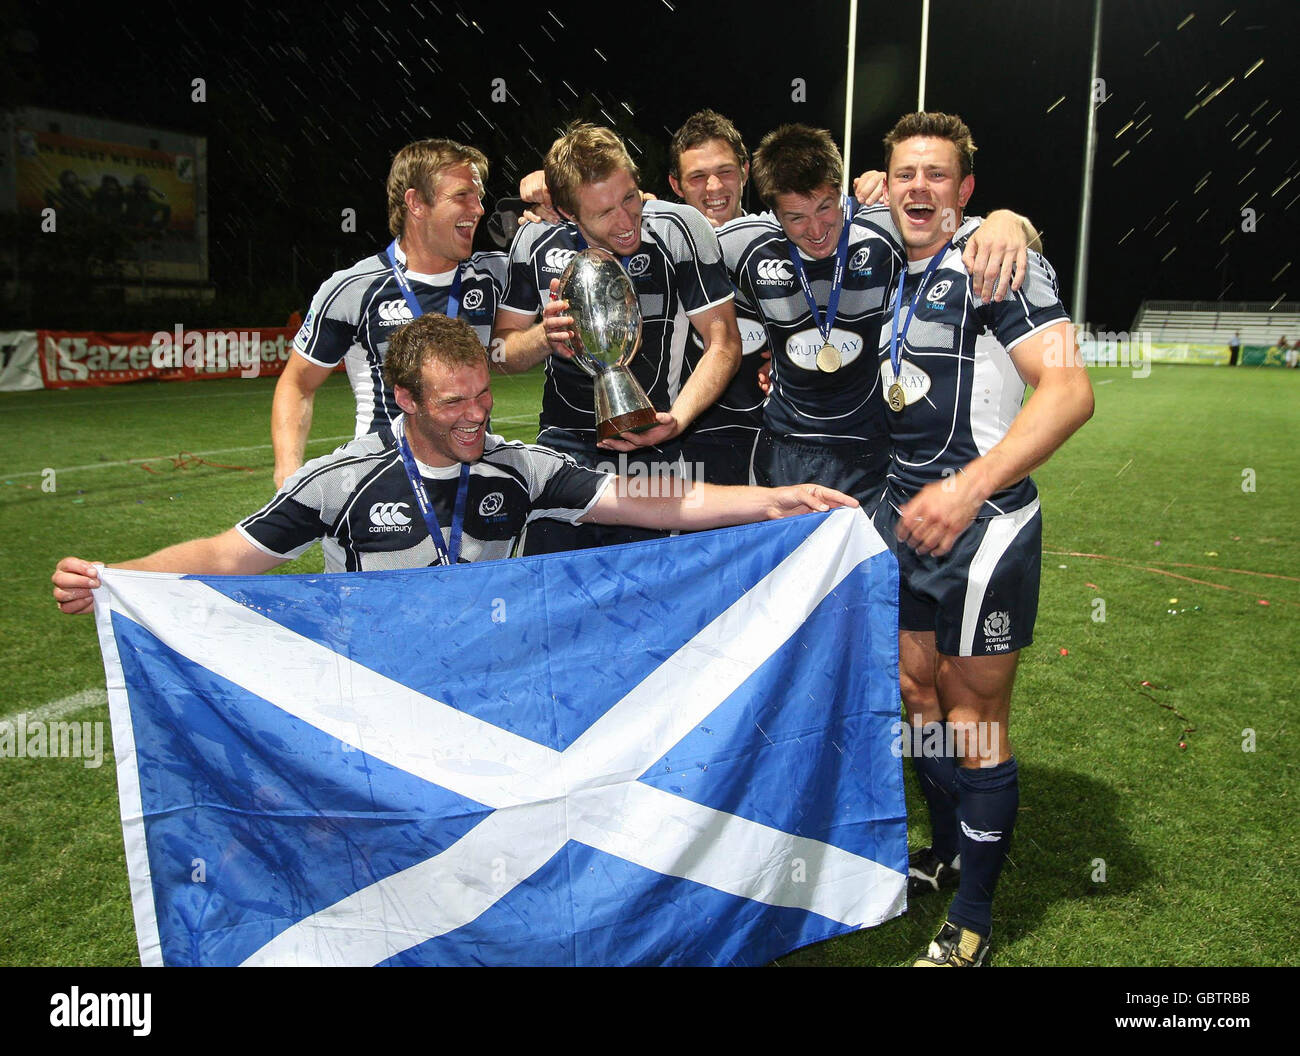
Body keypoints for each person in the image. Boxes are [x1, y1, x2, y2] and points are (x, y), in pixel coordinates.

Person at [53, 314, 853, 607]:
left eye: (481, 396)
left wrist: (780, 501)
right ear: (404, 401)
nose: (477, 417)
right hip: (373, 695)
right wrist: (115, 575)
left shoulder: (519, 466)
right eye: (454, 405)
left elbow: (654, 498)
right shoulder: (340, 481)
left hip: (482, 676)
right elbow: (229, 554)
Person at [874, 111, 1094, 967]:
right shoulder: (903, 256)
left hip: (984, 529)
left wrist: (967, 488)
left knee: (973, 722)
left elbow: (1070, 391)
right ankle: (945, 847)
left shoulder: (998, 261)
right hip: (908, 524)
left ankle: (972, 915)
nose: (918, 189)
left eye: (938, 176)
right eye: (904, 175)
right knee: (917, 698)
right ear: (886, 185)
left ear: (966, 191)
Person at [718, 124, 1034, 517]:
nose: (816, 230)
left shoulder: (885, 228)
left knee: (867, 576)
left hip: (869, 451)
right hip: (783, 449)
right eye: (796, 217)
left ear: (840, 192)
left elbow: (967, 227)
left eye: (825, 207)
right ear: (773, 210)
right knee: (789, 577)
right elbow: (670, 253)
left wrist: (1008, 219)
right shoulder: (743, 243)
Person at [491, 122, 742, 553]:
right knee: (559, 603)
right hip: (563, 448)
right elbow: (500, 353)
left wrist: (677, 420)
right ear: (568, 212)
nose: (627, 221)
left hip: (653, 444)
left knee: (649, 603)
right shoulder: (535, 238)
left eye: (630, 198)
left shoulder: (679, 227)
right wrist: (542, 338)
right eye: (604, 212)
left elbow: (724, 342)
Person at [271, 138, 506, 488]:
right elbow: (298, 384)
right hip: (383, 488)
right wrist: (288, 475)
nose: (479, 208)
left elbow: (575, 260)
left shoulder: (496, 275)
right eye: (462, 196)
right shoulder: (353, 289)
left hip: (475, 483)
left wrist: (552, 205)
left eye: (479, 196)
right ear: (416, 203)